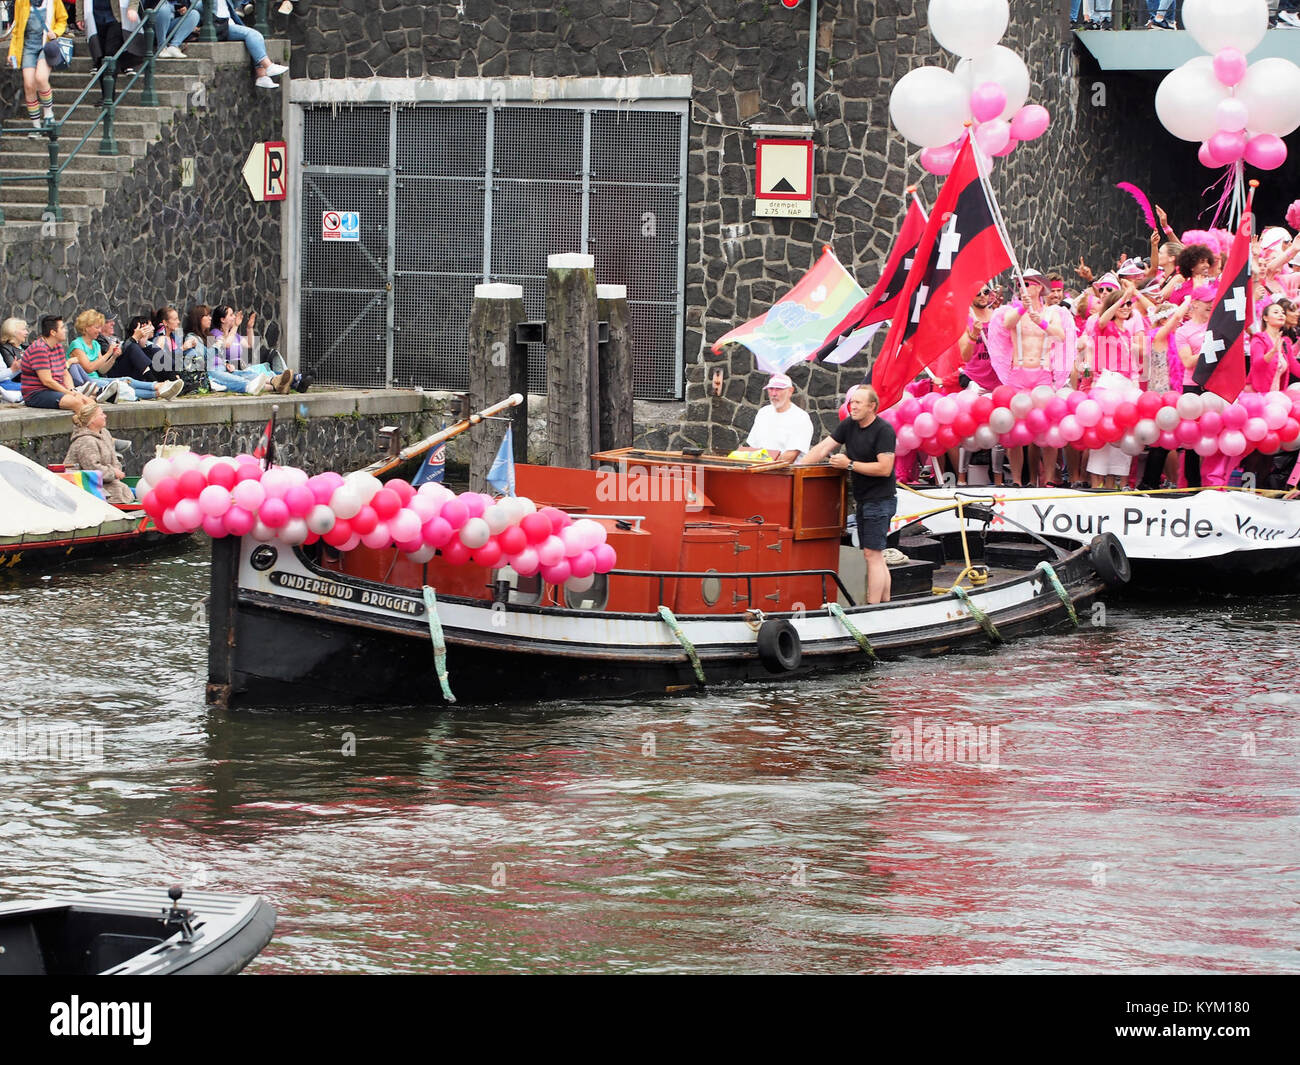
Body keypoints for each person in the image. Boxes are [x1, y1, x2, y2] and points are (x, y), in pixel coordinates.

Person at [799, 384, 896, 604]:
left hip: (880, 500)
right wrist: (797, 469)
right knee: (876, 555)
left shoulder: (884, 430)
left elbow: (884, 468)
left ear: (872, 406)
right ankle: (886, 602)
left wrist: (849, 464)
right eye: (852, 402)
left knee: (872, 554)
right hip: (863, 499)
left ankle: (872, 607)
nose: (852, 406)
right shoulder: (849, 425)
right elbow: (823, 448)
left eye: (858, 403)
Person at [68, 309, 182, 401]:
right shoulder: (77, 344)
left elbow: (102, 370)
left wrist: (113, 357)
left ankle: (160, 391)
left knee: (126, 383)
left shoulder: (94, 344)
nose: (99, 330)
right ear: (87, 328)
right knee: (125, 382)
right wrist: (108, 353)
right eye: (97, 327)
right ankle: (159, 386)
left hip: (99, 378)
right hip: (89, 382)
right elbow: (89, 368)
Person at [8, 0, 66, 136]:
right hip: (28, 45)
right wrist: (12, 52)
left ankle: (48, 113)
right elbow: (17, 30)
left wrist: (56, 32)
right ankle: (36, 126)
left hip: (45, 44)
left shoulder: (53, 1)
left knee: (41, 77)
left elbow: (62, 19)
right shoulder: (21, 2)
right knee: (29, 85)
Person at [63, 400, 134, 505]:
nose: (105, 416)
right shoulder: (85, 441)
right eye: (101, 414)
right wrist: (113, 472)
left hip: (106, 482)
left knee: (128, 490)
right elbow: (92, 469)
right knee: (128, 492)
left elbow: (114, 458)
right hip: (86, 486)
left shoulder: (105, 433)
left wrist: (116, 470)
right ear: (92, 420)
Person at [20, 314, 93, 411]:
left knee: (90, 402)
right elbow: (47, 381)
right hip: (37, 393)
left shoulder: (58, 347)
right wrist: (70, 394)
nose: (65, 330)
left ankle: (93, 425)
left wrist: (73, 390)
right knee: (76, 402)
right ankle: (86, 425)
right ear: (53, 332)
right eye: (62, 328)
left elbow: (65, 373)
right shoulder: (39, 349)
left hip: (55, 390)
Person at [210, 0, 287, 89]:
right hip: (219, 26)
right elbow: (198, 7)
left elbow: (235, 4)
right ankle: (268, 66)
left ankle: (262, 76)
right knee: (254, 35)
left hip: (228, 24)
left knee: (257, 38)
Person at [744, 373, 813, 463]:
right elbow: (753, 447)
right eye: (771, 389)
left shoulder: (801, 417)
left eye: (779, 389)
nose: (774, 394)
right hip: (758, 469)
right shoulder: (763, 413)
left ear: (790, 391)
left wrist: (765, 466)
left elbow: (791, 455)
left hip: (786, 473)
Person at [1, 317, 28, 403]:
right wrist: (14, 369)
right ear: (13, 332)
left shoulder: (25, 347)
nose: (27, 332)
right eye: (23, 330)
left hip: (8, 382)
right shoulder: (5, 348)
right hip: (7, 384)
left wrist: (15, 369)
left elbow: (7, 375)